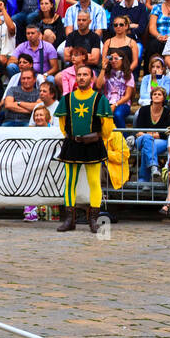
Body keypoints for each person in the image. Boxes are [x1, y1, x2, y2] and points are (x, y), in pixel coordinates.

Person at [53, 65, 114, 233]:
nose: (81, 77)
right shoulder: (67, 99)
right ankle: (69, 220)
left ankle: (93, 219)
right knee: (70, 182)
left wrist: (95, 138)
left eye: (85, 74)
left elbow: (107, 126)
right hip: (72, 144)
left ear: (91, 78)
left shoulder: (99, 99)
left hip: (93, 144)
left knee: (94, 182)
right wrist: (73, 137)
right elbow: (63, 123)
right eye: (79, 74)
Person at [132, 86, 169, 181]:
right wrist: (154, 135)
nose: (156, 96)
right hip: (141, 139)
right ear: (151, 97)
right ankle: (153, 165)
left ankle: (143, 180)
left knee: (147, 148)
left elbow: (166, 133)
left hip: (160, 141)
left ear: (164, 97)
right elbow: (139, 131)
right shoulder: (144, 110)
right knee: (147, 140)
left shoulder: (167, 112)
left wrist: (148, 134)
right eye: (154, 94)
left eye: (159, 94)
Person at [101, 50, 135, 124]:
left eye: (116, 58)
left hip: (123, 104)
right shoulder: (106, 73)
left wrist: (115, 105)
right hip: (107, 102)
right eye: (111, 59)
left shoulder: (129, 74)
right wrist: (103, 68)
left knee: (117, 114)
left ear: (122, 60)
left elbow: (128, 96)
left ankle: (123, 136)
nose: (113, 61)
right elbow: (98, 85)